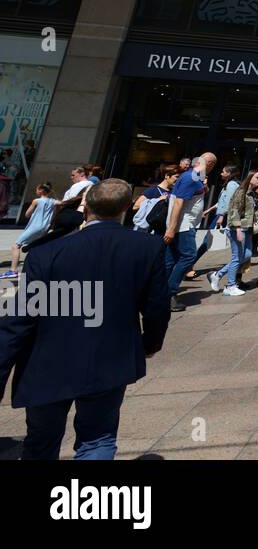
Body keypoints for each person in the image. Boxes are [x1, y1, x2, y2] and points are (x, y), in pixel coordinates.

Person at [0, 179, 170, 459]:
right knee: (98, 439)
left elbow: (18, 319)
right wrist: (150, 344)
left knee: (40, 441)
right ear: (127, 208)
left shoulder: (44, 253)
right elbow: (156, 307)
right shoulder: (147, 247)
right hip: (110, 358)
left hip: (47, 362)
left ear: (86, 206)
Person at [162, 151, 216, 313]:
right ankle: (169, 293)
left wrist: (204, 187)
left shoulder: (194, 176)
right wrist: (171, 229)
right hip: (183, 225)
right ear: (210, 165)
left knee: (171, 259)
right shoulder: (191, 178)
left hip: (184, 224)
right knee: (188, 256)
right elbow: (178, 202)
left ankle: (160, 290)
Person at [209, 168, 258, 296]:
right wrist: (238, 229)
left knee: (247, 255)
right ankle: (230, 286)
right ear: (250, 178)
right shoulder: (241, 192)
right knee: (237, 258)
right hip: (237, 229)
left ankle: (218, 274)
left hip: (247, 229)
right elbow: (234, 211)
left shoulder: (252, 194)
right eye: (257, 177)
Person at [186, 164, 238, 280]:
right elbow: (221, 202)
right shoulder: (228, 184)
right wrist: (209, 210)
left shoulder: (231, 185)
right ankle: (188, 265)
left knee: (207, 242)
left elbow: (229, 202)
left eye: (223, 171)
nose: (221, 173)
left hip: (223, 217)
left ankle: (188, 266)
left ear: (229, 173)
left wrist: (221, 216)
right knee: (208, 242)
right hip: (221, 216)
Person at [3, 183, 55, 279]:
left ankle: (13, 270)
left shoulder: (36, 201)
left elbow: (27, 214)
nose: (36, 191)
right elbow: (62, 203)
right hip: (45, 227)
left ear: (40, 191)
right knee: (37, 246)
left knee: (16, 245)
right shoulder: (53, 201)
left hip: (35, 226)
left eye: (37, 189)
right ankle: (43, 268)